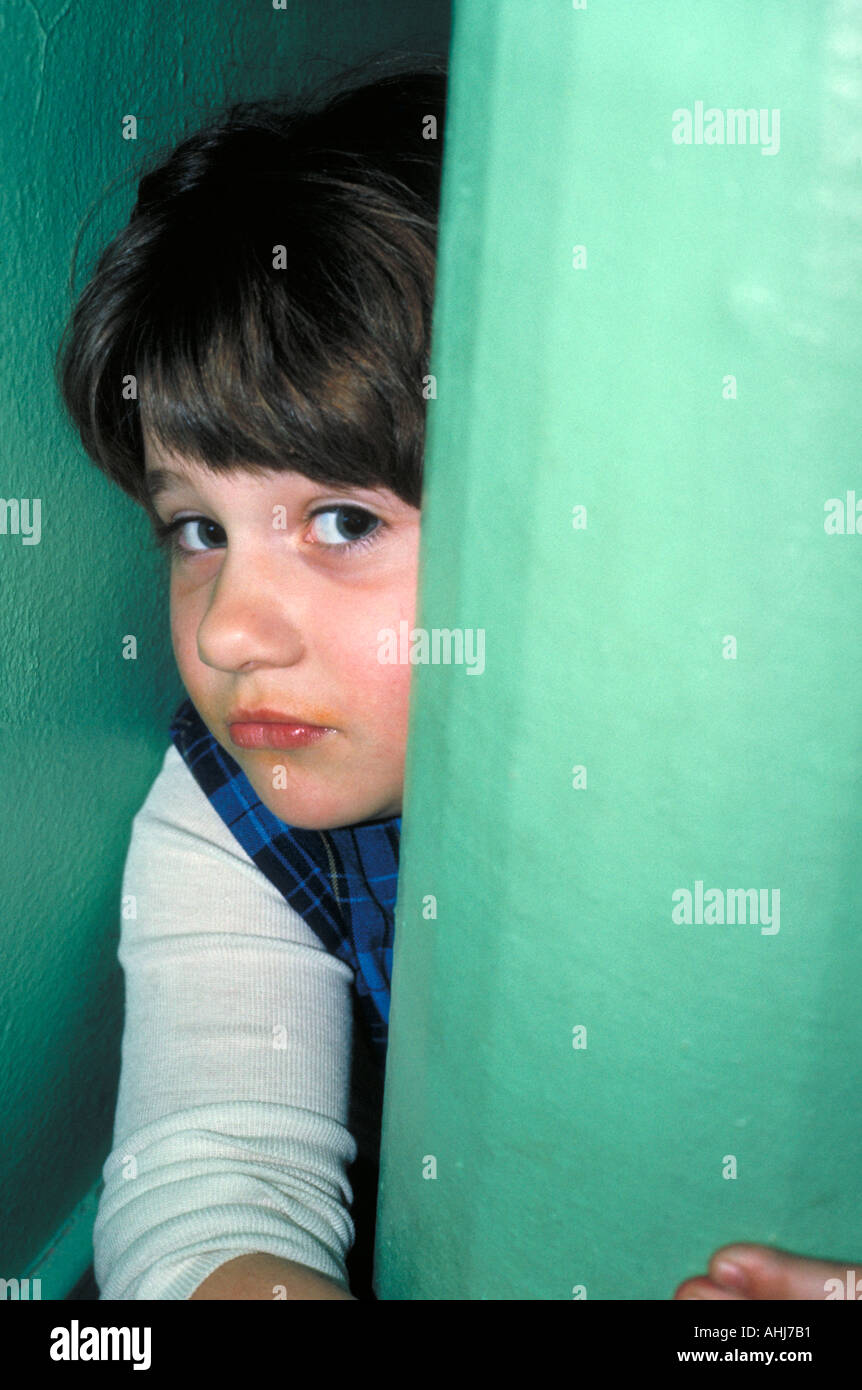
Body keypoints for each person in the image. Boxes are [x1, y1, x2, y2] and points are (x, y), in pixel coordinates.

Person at [56, 56, 859, 1303]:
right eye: (197, 531)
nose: (226, 637)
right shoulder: (226, 799)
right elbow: (209, 1180)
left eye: (338, 521)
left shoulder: (750, 783)